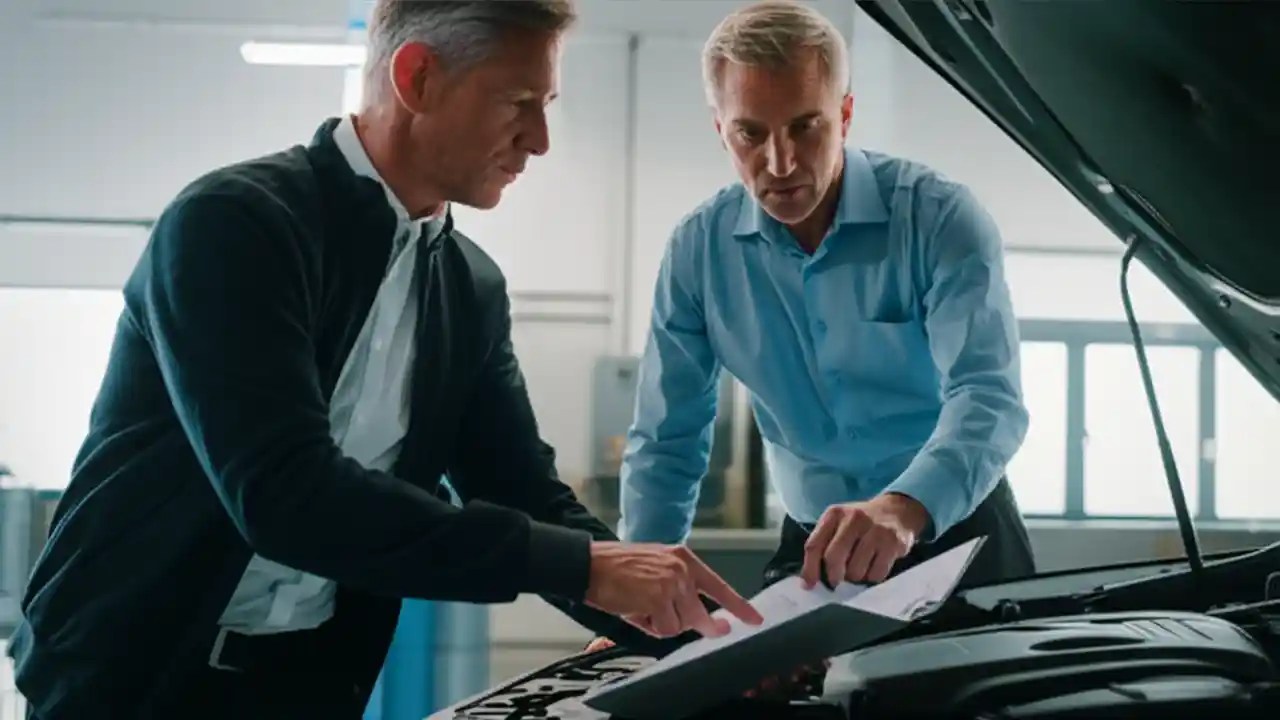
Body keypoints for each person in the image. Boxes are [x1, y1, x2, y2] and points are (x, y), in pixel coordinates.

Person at [6, 1, 763, 718]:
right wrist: (582, 567)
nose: (539, 140)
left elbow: (522, 492)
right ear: (417, 79)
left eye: (547, 106)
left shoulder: (468, 284)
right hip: (127, 679)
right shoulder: (235, 225)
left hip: (304, 686)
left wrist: (712, 639)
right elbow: (285, 493)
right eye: (517, 102)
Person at [617, 0, 1037, 620]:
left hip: (958, 530)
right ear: (720, 130)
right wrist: (639, 590)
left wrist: (901, 507)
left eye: (805, 127)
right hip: (814, 551)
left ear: (844, 113)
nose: (780, 163)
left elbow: (988, 396)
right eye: (751, 134)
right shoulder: (696, 252)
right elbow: (667, 438)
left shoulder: (939, 218)